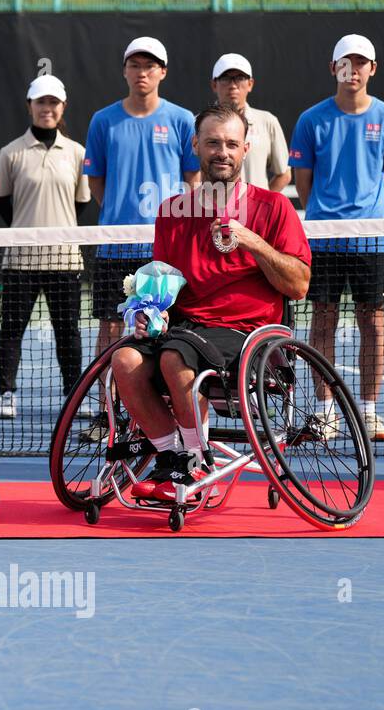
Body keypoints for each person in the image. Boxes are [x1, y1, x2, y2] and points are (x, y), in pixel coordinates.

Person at [112, 102, 310, 502]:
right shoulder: (172, 212)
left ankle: (196, 463)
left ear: (245, 149)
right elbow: (163, 283)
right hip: (183, 330)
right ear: (196, 146)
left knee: (174, 357)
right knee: (125, 360)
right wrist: (148, 313)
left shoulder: (275, 208)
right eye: (213, 143)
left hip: (246, 335)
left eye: (231, 144)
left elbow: (298, 285)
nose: (222, 151)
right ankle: (172, 458)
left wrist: (251, 240)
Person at [84, 37, 199, 412]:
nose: (142, 72)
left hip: (165, 249)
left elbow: (192, 181)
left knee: (169, 328)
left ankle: (161, 405)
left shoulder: (182, 120)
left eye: (150, 66)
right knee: (112, 328)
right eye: (135, 65)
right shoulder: (103, 121)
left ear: (162, 72)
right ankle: (107, 409)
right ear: (125, 71)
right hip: (116, 244)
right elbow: (97, 181)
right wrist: (122, 219)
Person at [291, 33, 384, 442]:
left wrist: (372, 216)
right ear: (334, 69)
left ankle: (368, 412)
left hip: (372, 238)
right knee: (323, 321)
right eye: (345, 62)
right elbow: (304, 185)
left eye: (361, 62)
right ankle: (324, 411)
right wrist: (328, 217)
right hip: (323, 237)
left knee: (373, 322)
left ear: (372, 69)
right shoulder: (311, 120)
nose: (353, 69)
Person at [0, 75, 91, 420]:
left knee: (69, 332)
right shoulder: (11, 153)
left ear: (62, 107)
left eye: (53, 103)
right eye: (40, 102)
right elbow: (2, 202)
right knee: (11, 330)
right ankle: (7, 393)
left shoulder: (78, 153)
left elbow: (80, 203)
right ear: (30, 106)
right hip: (19, 259)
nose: (47, 109)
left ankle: (73, 394)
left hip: (65, 259)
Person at [209, 54, 290, 193]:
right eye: (226, 78)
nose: (233, 85)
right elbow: (191, 174)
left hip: (256, 213)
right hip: (213, 212)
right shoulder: (197, 124)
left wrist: (262, 203)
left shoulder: (267, 121)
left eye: (240, 78)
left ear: (250, 84)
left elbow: (284, 174)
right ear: (214, 84)